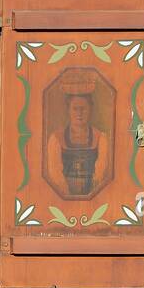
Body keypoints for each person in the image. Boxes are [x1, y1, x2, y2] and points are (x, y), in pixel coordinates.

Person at [47, 68, 109, 198]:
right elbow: (55, 175)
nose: (79, 113)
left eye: (84, 109)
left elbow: (100, 174)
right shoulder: (56, 139)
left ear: (91, 110)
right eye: (75, 109)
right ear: (68, 110)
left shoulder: (101, 138)